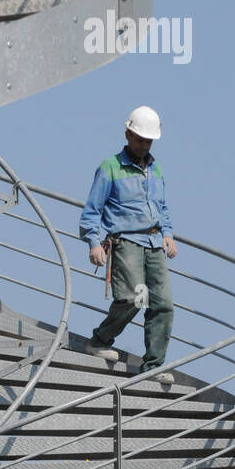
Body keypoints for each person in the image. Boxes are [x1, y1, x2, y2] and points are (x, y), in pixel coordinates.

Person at [79, 106, 177, 379]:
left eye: (149, 141)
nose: (144, 145)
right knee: (134, 298)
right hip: (125, 242)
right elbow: (91, 211)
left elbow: (162, 207)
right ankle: (100, 340)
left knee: (163, 304)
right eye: (140, 139)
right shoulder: (110, 167)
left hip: (155, 243)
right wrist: (94, 243)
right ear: (128, 134)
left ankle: (154, 365)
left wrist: (168, 233)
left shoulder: (156, 169)